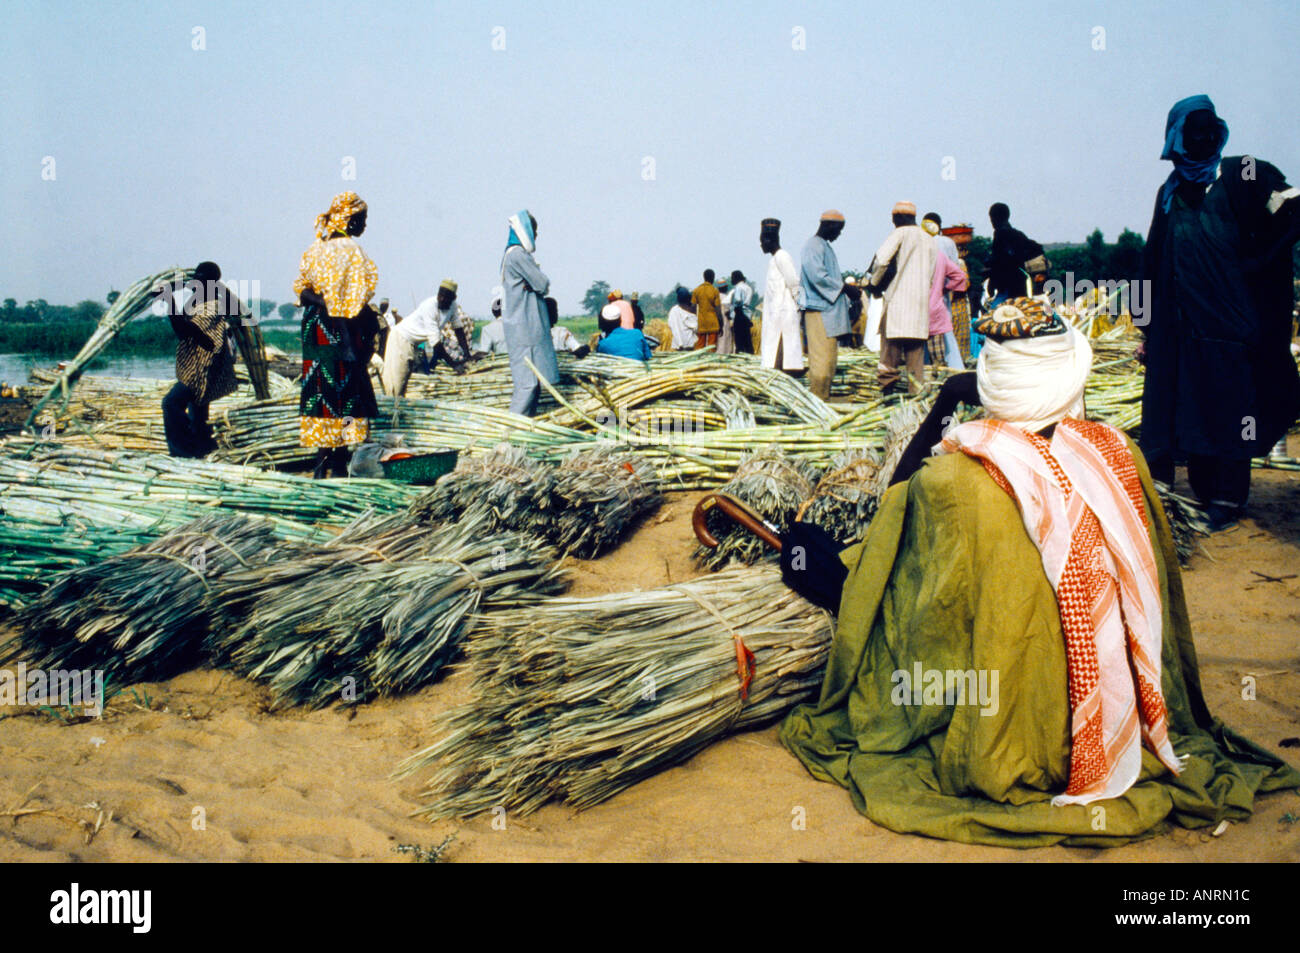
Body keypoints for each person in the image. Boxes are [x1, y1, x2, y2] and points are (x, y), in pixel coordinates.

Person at [777, 295, 1300, 847]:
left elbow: (897, 530)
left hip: (1010, 730)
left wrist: (946, 403)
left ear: (989, 383)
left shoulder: (950, 482)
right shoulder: (1119, 454)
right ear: (1069, 375)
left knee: (847, 577)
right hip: (1117, 722)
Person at [1140, 95, 1300, 529]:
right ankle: (1205, 494)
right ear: (1177, 139)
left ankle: (1228, 500)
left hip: (1231, 325)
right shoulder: (1170, 192)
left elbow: (1294, 209)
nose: (1205, 138)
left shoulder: (1241, 172)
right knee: (1192, 410)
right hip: (1182, 328)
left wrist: (1261, 260)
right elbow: (1152, 260)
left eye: (1211, 130)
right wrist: (1146, 328)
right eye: (1195, 132)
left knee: (1232, 410)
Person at [293, 191, 381, 479]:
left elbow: (302, 291)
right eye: (362, 219)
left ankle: (323, 468)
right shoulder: (351, 251)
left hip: (315, 329)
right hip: (340, 329)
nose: (364, 225)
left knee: (321, 394)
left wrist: (323, 302)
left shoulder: (315, 248)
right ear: (350, 219)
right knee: (344, 395)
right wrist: (351, 333)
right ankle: (337, 468)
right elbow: (355, 300)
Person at [152, 260, 239, 458]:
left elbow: (185, 331)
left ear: (210, 283)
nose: (194, 284)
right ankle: (205, 449)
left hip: (204, 370)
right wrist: (168, 298)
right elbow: (181, 327)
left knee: (171, 403)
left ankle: (182, 452)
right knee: (198, 414)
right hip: (196, 366)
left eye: (200, 280)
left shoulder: (213, 306)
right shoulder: (196, 302)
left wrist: (169, 299)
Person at [867, 201, 936, 395]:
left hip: (898, 305)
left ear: (898, 217)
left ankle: (887, 396)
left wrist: (874, 283)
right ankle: (916, 397)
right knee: (915, 361)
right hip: (919, 308)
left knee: (889, 357)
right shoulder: (929, 239)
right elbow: (931, 274)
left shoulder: (900, 233)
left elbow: (881, 260)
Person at [501, 209, 559, 416]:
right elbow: (542, 283)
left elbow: (537, 284)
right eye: (534, 230)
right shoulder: (517, 255)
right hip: (524, 328)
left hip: (526, 327)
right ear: (524, 230)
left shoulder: (516, 255)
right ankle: (512, 429)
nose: (536, 235)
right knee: (527, 384)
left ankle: (525, 426)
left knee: (533, 383)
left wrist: (535, 283)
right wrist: (537, 282)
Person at [383, 279, 470, 396]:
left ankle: (398, 403)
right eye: (440, 295)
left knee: (404, 381)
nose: (441, 299)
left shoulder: (453, 306)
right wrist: (453, 365)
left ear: (453, 298)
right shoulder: (430, 306)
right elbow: (436, 344)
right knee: (397, 382)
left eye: (445, 297)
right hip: (400, 339)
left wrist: (467, 354)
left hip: (413, 343)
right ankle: (392, 404)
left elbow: (458, 329)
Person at [798, 210, 851, 399]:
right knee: (821, 361)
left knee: (829, 360)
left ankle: (823, 397)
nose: (839, 234)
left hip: (828, 313)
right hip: (819, 311)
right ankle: (818, 399)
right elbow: (817, 276)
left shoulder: (824, 246)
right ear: (828, 225)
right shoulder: (813, 246)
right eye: (838, 230)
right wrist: (844, 288)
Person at [922, 213, 967, 369]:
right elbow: (958, 273)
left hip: (922, 301)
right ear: (940, 226)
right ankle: (952, 367)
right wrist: (945, 287)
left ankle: (925, 369)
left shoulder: (920, 248)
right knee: (945, 334)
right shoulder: (946, 244)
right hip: (940, 297)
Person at [760, 218, 803, 373]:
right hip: (775, 315)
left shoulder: (782, 256)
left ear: (768, 240)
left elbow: (794, 283)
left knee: (783, 354)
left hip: (784, 314)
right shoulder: (773, 260)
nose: (761, 245)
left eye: (762, 241)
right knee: (774, 351)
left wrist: (799, 307)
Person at [691, 269, 722, 349]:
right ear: (713, 278)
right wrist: (721, 325)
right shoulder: (715, 291)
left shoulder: (696, 290)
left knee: (700, 346)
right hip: (713, 323)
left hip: (701, 323)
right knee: (711, 347)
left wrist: (694, 322)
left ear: (704, 277)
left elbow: (693, 308)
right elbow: (718, 310)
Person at [729, 270, 754, 354]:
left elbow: (738, 300)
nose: (731, 280)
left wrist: (731, 311)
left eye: (732, 278)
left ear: (736, 278)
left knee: (739, 341)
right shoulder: (749, 288)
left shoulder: (738, 288)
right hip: (747, 316)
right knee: (747, 340)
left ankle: (740, 356)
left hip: (740, 315)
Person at [478, 287, 508, 355]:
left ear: (493, 312)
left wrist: (471, 358)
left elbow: (484, 351)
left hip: (502, 360)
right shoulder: (520, 325)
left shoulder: (488, 329)